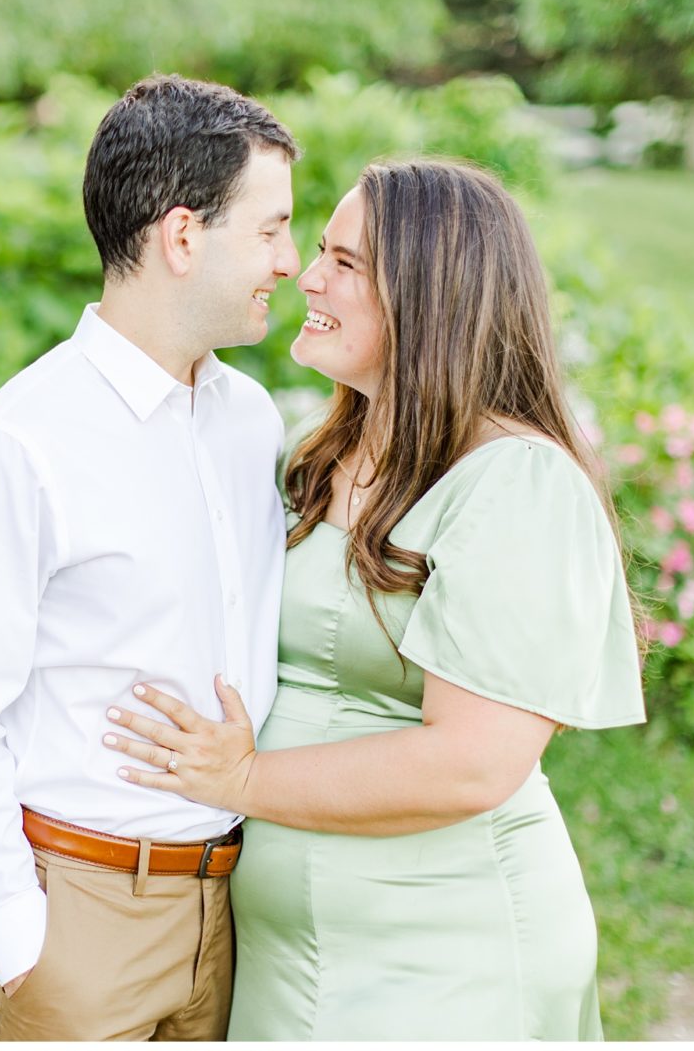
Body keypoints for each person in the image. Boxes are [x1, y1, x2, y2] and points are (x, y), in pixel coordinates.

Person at [102, 158, 647, 1041]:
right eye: (319, 249)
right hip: (290, 959)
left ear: (433, 296)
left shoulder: (517, 481)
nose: (306, 275)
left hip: (445, 952)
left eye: (346, 262)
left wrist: (244, 779)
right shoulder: (328, 452)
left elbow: (474, 761)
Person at [0, 75, 302, 1041]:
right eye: (271, 230)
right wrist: (21, 943)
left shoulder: (250, 420)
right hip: (74, 913)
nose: (290, 262)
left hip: (228, 907)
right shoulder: (13, 449)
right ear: (182, 237)